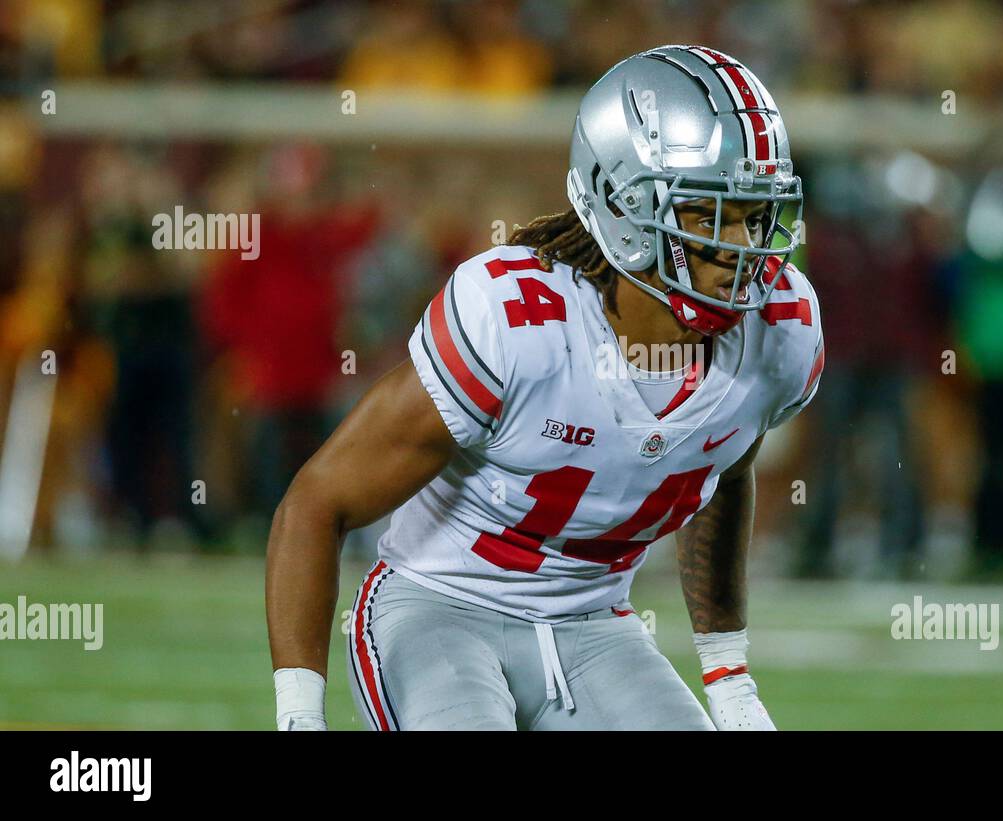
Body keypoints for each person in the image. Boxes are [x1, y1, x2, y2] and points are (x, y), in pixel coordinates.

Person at [265, 46, 823, 730]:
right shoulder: (519, 323)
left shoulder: (779, 332)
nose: (744, 249)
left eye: (755, 214)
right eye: (710, 216)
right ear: (625, 206)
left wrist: (730, 681)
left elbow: (722, 470)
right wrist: (298, 718)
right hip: (438, 609)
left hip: (595, 627)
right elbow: (315, 504)